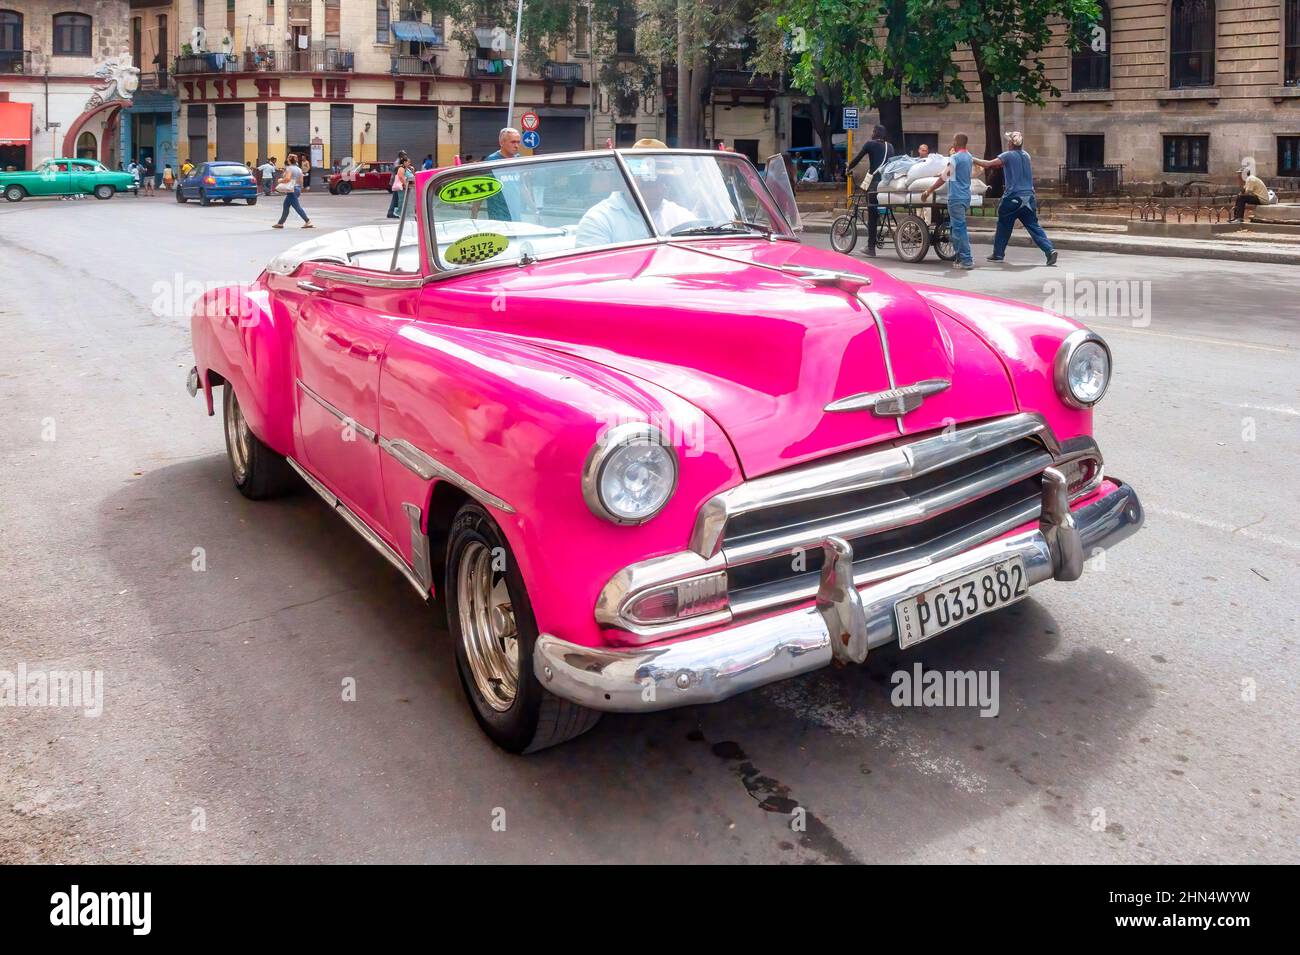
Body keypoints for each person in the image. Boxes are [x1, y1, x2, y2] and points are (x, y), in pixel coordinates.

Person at [576, 149, 692, 246]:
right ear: (626, 183)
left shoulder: (680, 215)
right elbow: (596, 269)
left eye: (665, 182)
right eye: (650, 183)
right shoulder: (598, 219)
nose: (659, 190)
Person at [974, 131, 1057, 266]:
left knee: (1004, 226)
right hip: (1029, 198)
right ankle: (1050, 250)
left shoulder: (1008, 155)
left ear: (1012, 143)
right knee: (1033, 226)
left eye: (1008, 141)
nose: (1007, 143)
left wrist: (971, 158)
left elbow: (988, 164)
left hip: (1012, 197)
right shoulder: (1026, 155)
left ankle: (998, 254)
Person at [921, 133, 975, 270]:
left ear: (956, 143)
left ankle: (966, 260)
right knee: (958, 227)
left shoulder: (955, 158)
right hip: (965, 196)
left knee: (958, 230)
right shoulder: (969, 157)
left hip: (956, 197)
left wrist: (929, 190)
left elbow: (944, 177)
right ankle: (959, 257)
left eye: (953, 141)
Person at [845, 124, 893, 257]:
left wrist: (848, 167)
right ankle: (878, 230)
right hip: (887, 185)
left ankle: (871, 247)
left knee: (872, 214)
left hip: (874, 185)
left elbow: (857, 159)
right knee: (877, 211)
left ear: (875, 133)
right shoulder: (890, 146)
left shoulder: (870, 144)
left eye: (873, 131)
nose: (871, 133)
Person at [483, 129, 529, 221]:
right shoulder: (492, 161)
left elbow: (522, 185)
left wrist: (534, 209)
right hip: (498, 214)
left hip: (515, 213)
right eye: (513, 142)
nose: (516, 146)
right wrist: (474, 212)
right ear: (502, 142)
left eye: (518, 142)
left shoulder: (518, 160)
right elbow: (483, 188)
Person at [272, 154, 313, 229]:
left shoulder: (289, 168)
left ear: (289, 160)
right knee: (286, 205)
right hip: (297, 189)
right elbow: (301, 181)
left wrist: (280, 180)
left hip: (292, 190)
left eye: (288, 158)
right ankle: (280, 223)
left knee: (297, 207)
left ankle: (308, 221)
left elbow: (287, 179)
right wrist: (300, 188)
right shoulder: (299, 169)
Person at [386, 152, 408, 218]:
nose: (405, 156)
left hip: (396, 182)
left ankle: (392, 212)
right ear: (401, 156)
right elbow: (398, 173)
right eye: (405, 155)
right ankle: (391, 212)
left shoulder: (398, 162)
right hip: (397, 183)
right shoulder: (398, 163)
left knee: (396, 198)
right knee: (396, 198)